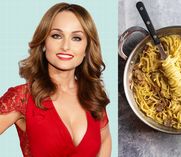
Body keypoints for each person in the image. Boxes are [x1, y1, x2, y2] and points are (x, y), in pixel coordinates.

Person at [0, 2, 111, 157]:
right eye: (56, 36)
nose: (65, 46)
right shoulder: (22, 97)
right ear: (44, 43)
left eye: (76, 38)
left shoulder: (94, 95)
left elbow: (104, 141)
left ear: (87, 48)